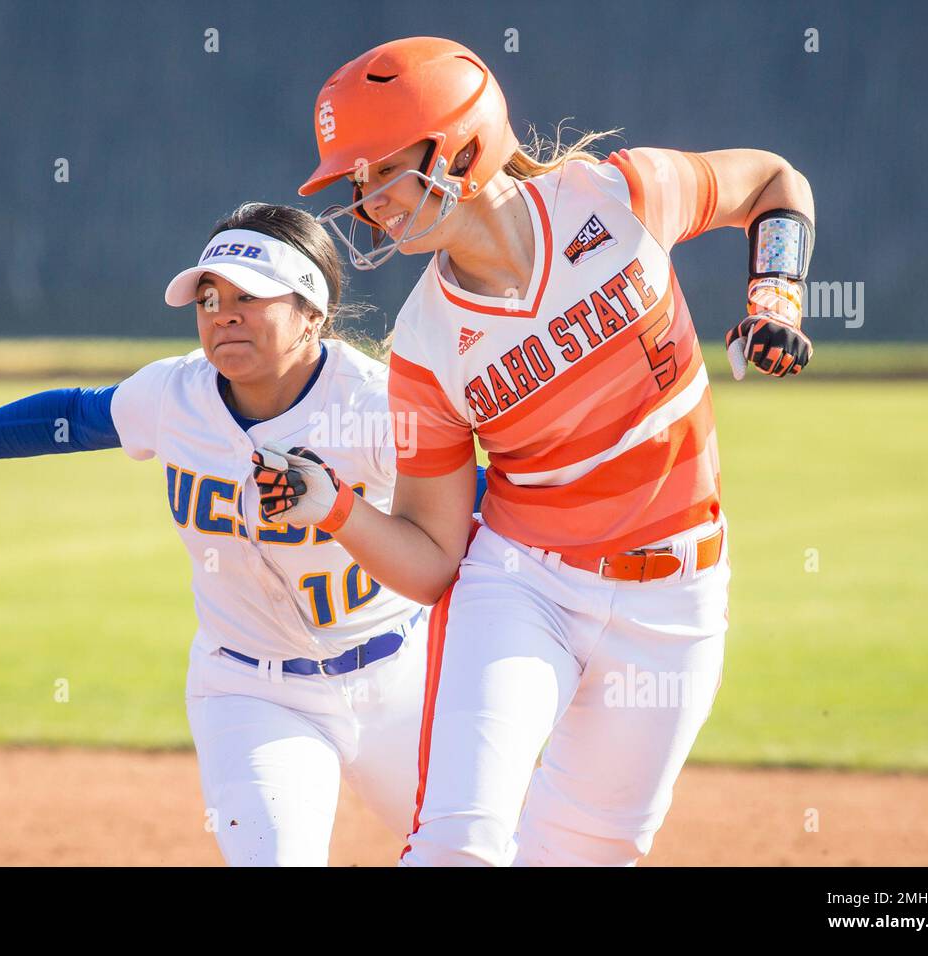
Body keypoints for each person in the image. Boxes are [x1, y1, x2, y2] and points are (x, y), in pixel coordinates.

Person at [252, 37, 815, 866]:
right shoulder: (425, 342)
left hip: (680, 601)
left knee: (587, 853)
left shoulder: (615, 196)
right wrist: (335, 508)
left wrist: (776, 297)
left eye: (380, 169)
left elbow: (774, 181)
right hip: (525, 588)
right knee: (460, 844)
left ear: (463, 146)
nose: (368, 200)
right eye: (356, 182)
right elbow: (435, 555)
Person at [0, 201, 486, 867]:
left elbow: (477, 501)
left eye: (249, 297)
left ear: (310, 312)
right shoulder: (175, 397)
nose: (223, 312)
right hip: (252, 692)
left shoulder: (371, 408)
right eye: (208, 296)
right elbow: (72, 416)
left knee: (483, 854)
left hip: (400, 680)